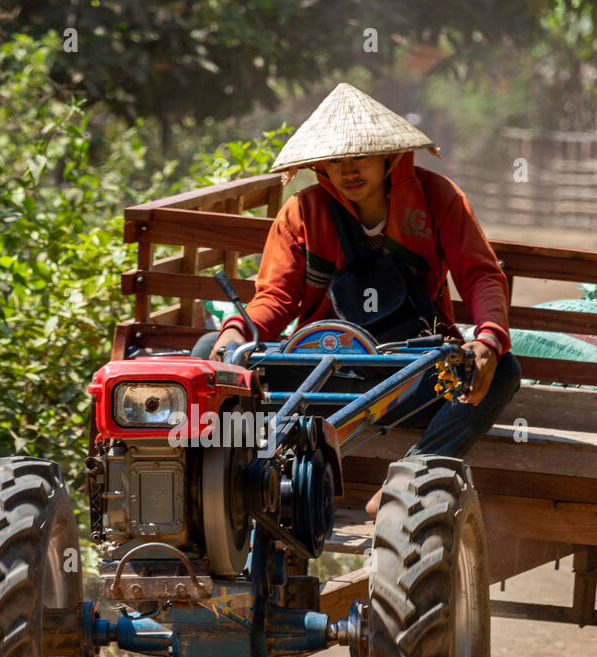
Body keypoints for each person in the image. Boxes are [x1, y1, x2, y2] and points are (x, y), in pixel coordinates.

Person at [194, 83, 520, 518]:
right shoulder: (301, 212)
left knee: (502, 371)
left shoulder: (437, 198)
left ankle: (414, 470)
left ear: (388, 155)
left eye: (359, 157)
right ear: (319, 166)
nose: (348, 171)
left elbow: (480, 274)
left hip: (412, 375)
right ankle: (226, 490)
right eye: (336, 160)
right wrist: (237, 332)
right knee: (208, 355)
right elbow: (275, 296)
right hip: (319, 377)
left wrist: (489, 338)